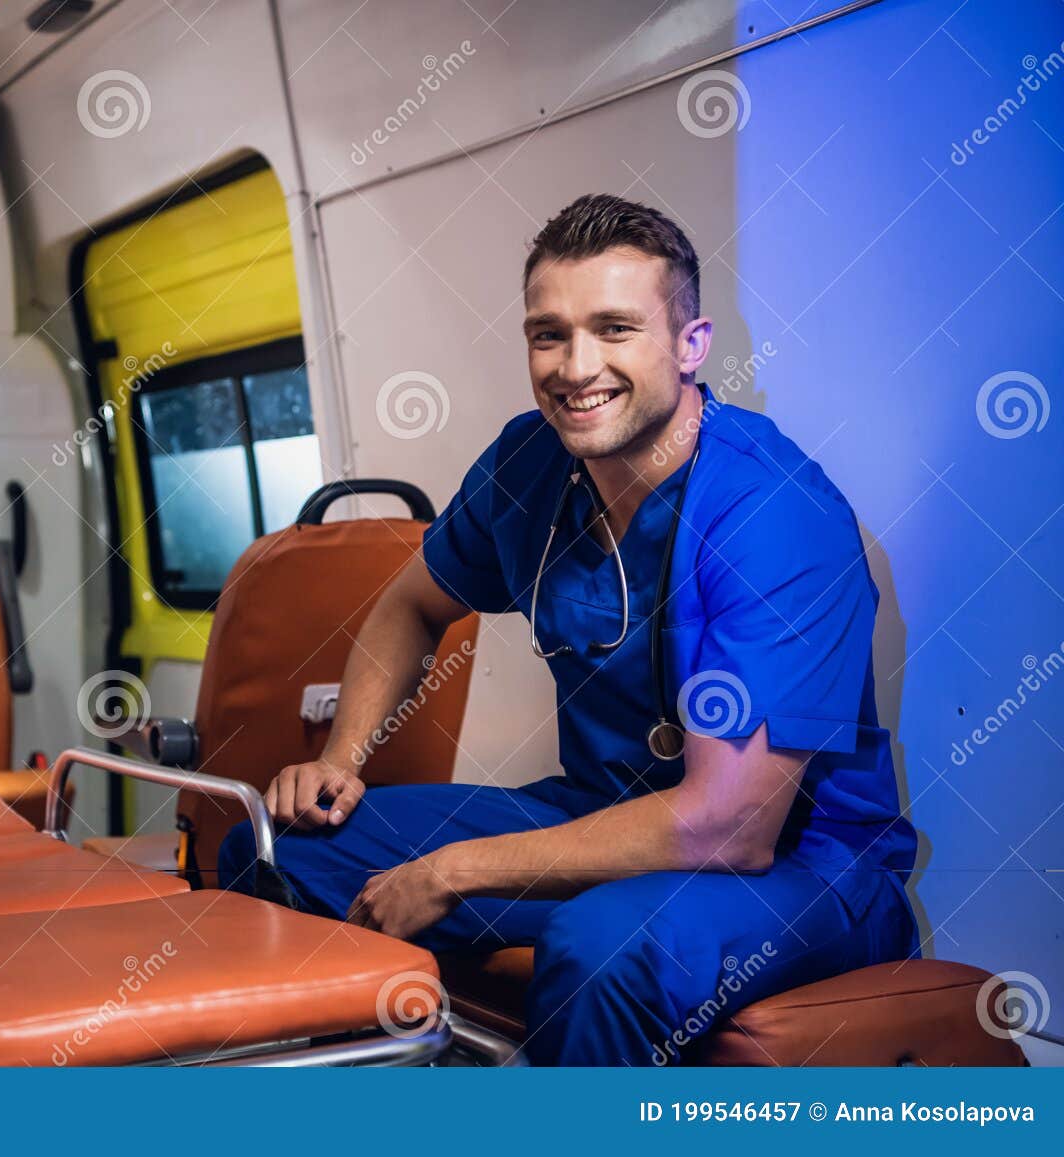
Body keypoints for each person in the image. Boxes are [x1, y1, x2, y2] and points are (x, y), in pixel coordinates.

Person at [217, 193, 919, 1066]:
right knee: (275, 846)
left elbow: (728, 829)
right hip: (602, 813)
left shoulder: (773, 518)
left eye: (616, 328)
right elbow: (411, 605)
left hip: (798, 869)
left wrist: (450, 871)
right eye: (549, 334)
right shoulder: (530, 463)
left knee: (600, 949)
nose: (576, 366)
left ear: (691, 346)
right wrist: (340, 759)